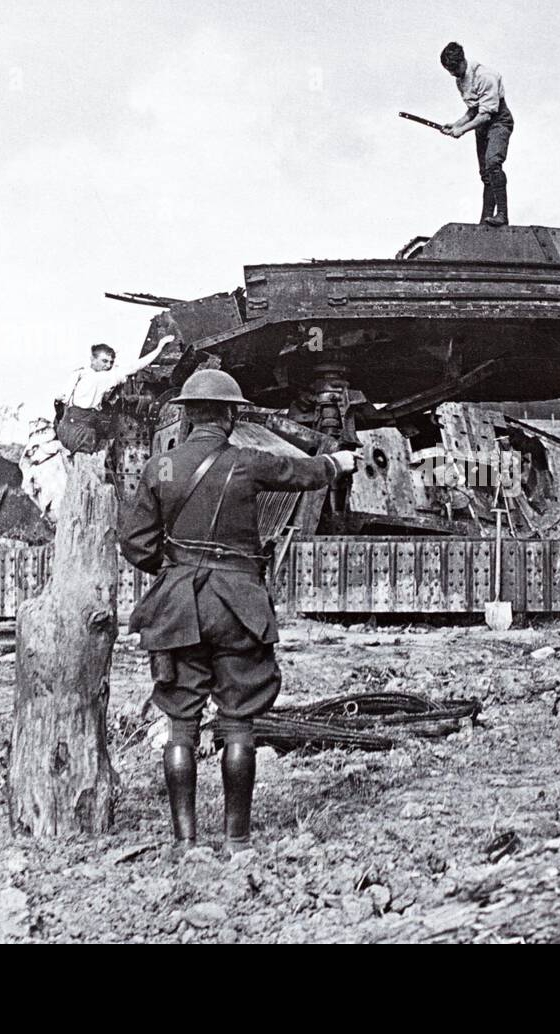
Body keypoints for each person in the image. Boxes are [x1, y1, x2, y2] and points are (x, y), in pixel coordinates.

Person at [120, 370, 358, 854]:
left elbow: (136, 545)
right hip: (238, 607)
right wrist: (338, 463)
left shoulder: (159, 468)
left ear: (186, 415)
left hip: (177, 608)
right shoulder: (246, 462)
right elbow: (305, 474)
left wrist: (176, 567)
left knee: (180, 727)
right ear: (230, 415)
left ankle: (186, 845)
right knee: (238, 723)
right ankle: (238, 842)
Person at [439, 42, 514, 227]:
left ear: (463, 60)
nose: (453, 74)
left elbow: (486, 113)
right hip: (481, 124)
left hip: (498, 121)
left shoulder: (484, 76)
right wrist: (456, 124)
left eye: (455, 69)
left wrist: (462, 130)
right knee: (485, 173)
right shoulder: (460, 80)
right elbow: (473, 110)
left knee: (493, 162)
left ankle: (502, 215)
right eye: (450, 71)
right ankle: (486, 220)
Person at [55, 335, 172, 453]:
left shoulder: (78, 373)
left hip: (65, 428)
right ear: (92, 359)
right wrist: (159, 348)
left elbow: (61, 399)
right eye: (104, 361)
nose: (108, 366)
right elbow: (135, 367)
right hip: (82, 433)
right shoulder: (103, 377)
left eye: (111, 362)